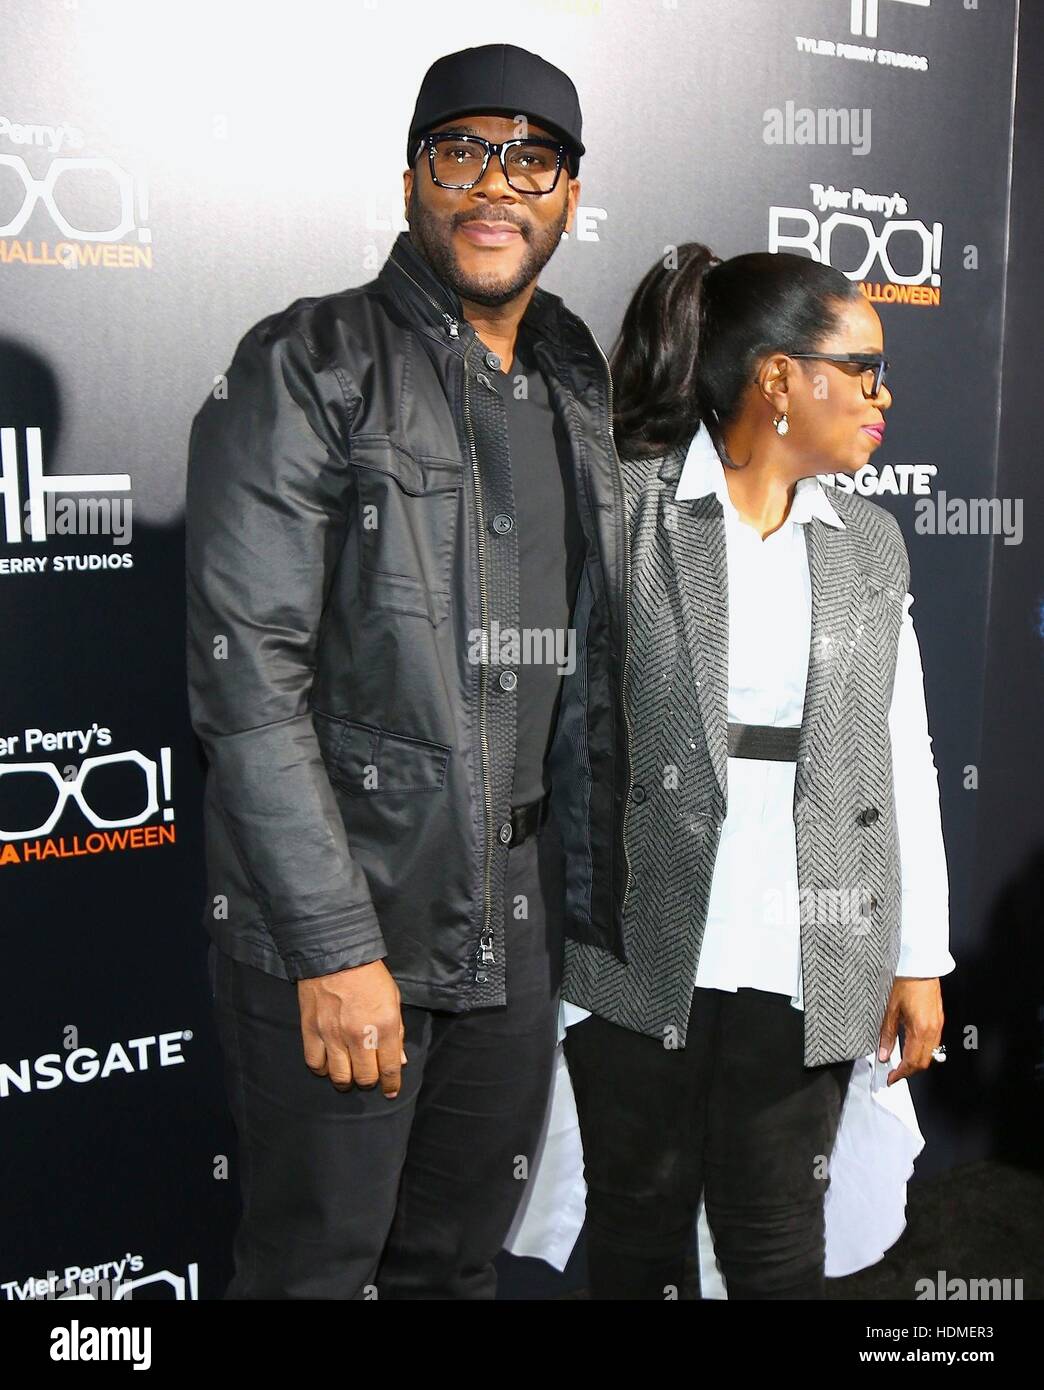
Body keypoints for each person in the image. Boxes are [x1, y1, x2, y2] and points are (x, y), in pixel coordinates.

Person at [183, 43, 629, 1299]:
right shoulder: (307, 363)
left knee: (455, 1263)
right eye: (462, 151)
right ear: (411, 181)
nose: (497, 184)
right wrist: (333, 951)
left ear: (568, 198)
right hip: (353, 914)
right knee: (314, 1272)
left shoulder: (568, 371)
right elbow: (247, 684)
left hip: (521, 910)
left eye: (530, 157)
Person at [556, 243, 957, 1299]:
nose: (884, 393)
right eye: (863, 366)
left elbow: (900, 758)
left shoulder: (870, 545)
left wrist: (918, 955)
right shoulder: (623, 511)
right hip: (640, 937)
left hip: (815, 941)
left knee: (777, 1241)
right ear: (779, 376)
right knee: (638, 1232)